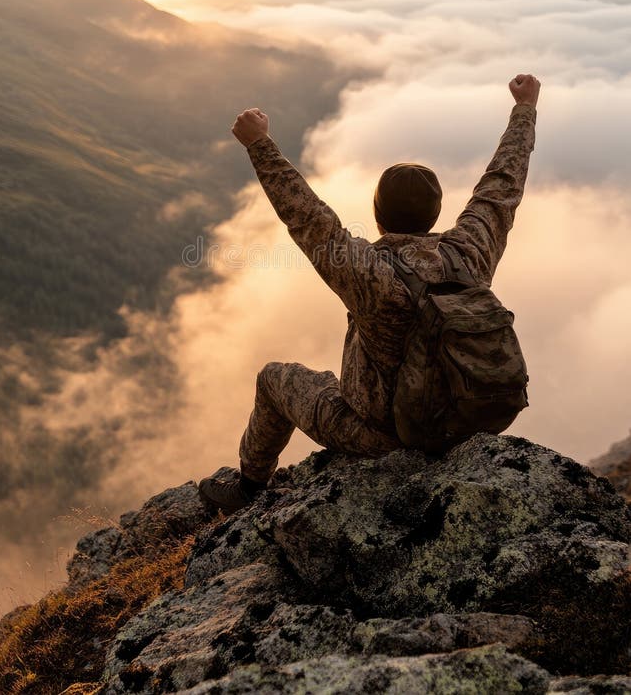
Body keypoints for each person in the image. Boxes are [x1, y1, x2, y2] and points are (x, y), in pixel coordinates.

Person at [198, 74, 540, 514]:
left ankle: (247, 489)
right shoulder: (469, 252)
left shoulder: (371, 275)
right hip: (470, 420)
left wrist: (259, 145)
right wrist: (525, 109)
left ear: (377, 217)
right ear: (436, 214)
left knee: (273, 379)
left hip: (387, 435)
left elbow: (309, 217)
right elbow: (502, 187)